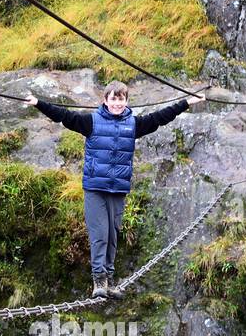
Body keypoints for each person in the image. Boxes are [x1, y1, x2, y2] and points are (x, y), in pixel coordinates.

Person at [23, 81, 207, 299]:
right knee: (100, 234)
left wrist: (187, 102)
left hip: (118, 189)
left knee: (112, 235)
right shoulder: (91, 122)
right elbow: (64, 115)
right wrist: (38, 103)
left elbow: (160, 117)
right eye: (113, 99)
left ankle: (109, 281)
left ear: (126, 101)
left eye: (121, 99)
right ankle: (99, 280)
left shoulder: (133, 124)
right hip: (95, 188)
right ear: (105, 100)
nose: (117, 103)